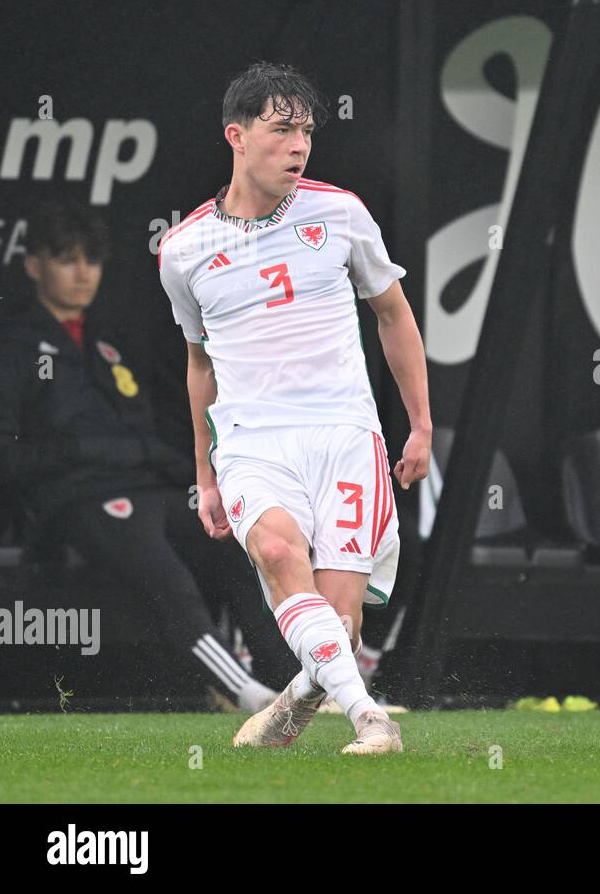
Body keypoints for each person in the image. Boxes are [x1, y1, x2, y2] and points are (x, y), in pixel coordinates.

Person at [158, 63, 433, 754]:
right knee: (279, 551)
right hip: (253, 441)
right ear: (237, 136)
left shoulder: (340, 212)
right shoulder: (183, 249)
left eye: (306, 131)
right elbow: (199, 363)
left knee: (337, 627)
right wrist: (207, 471)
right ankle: (373, 718)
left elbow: (393, 315)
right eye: (282, 130)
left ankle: (295, 702)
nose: (298, 145)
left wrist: (420, 423)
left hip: (345, 432)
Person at [0, 200, 284, 710]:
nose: (83, 273)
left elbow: (146, 432)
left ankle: (289, 684)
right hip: (76, 501)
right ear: (33, 264)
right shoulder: (13, 346)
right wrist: (81, 455)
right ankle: (245, 694)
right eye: (66, 259)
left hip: (149, 487)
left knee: (235, 549)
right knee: (165, 575)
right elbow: (9, 455)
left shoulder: (110, 344)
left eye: (92, 260)